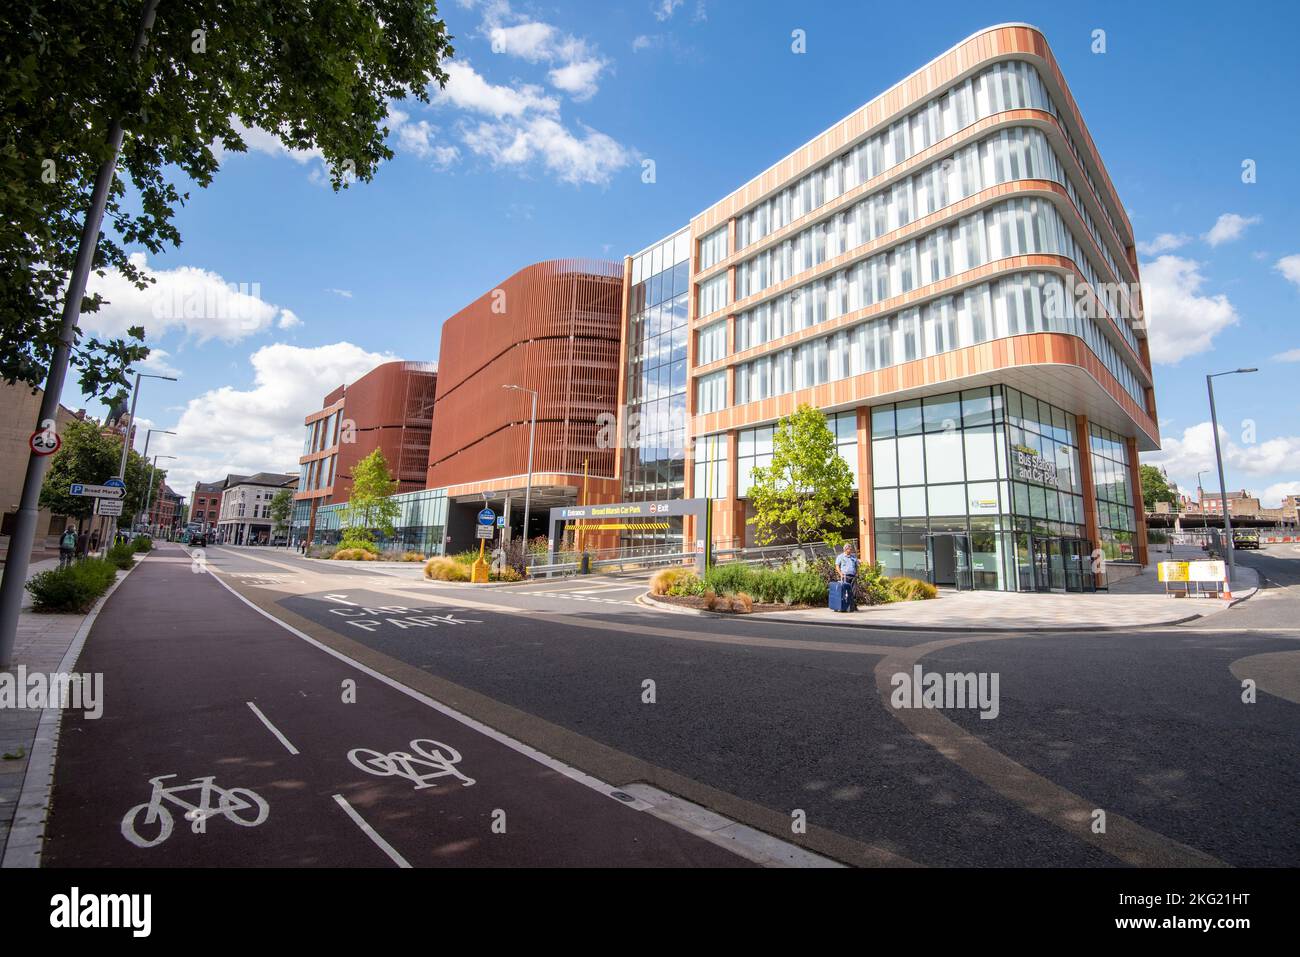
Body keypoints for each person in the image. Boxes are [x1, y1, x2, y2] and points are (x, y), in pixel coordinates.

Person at [835, 542, 860, 612]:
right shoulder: (840, 557)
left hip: (853, 576)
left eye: (851, 549)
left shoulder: (853, 557)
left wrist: (857, 573)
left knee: (854, 591)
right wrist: (840, 574)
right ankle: (844, 606)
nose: (851, 550)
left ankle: (853, 605)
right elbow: (837, 566)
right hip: (845, 576)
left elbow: (856, 566)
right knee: (845, 591)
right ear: (845, 550)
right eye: (849, 549)